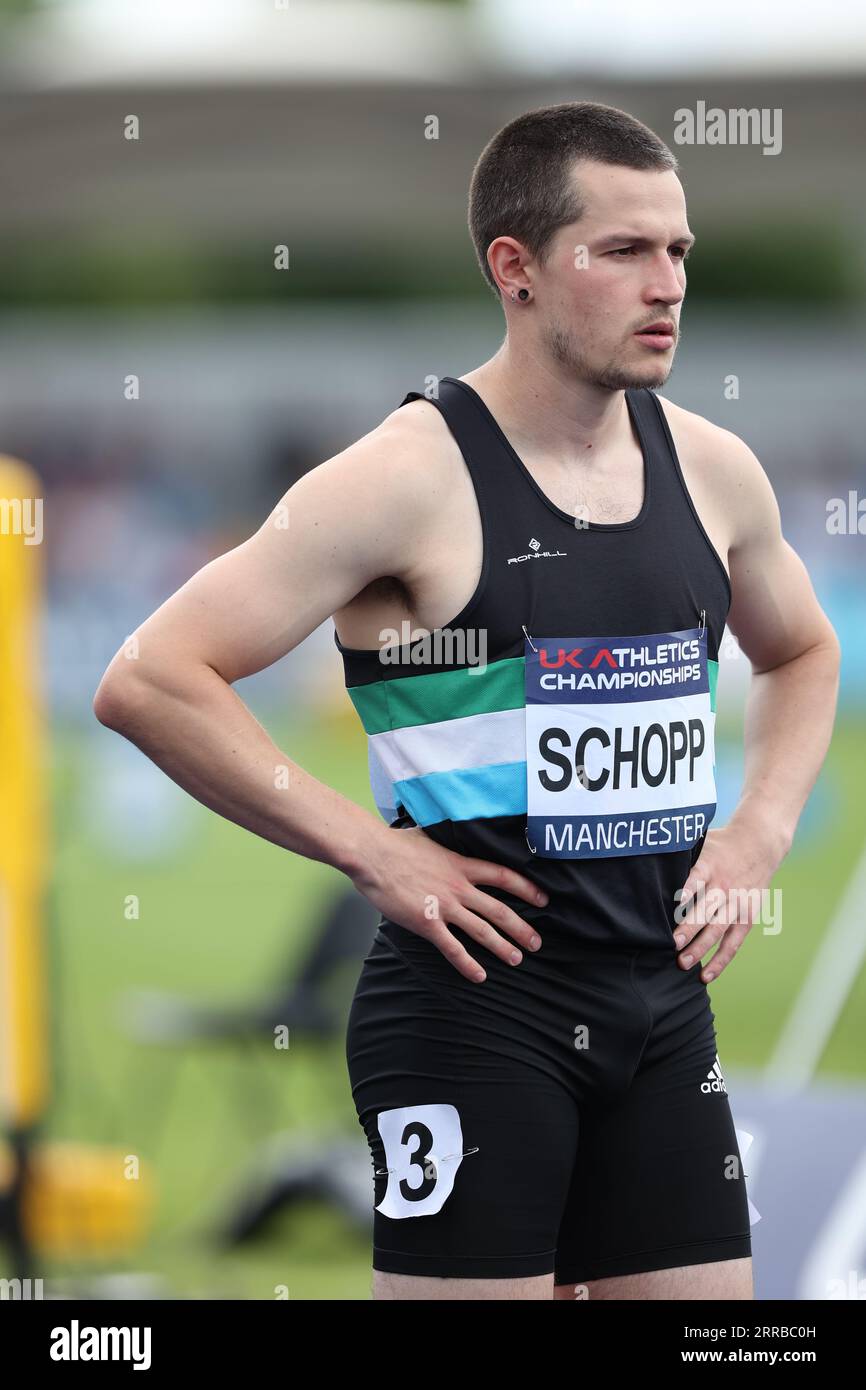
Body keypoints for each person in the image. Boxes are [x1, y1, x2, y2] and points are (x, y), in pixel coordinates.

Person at [93, 101, 840, 1301]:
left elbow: (799, 653)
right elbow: (148, 677)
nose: (666, 286)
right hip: (476, 1015)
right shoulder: (401, 478)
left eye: (678, 252)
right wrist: (365, 850)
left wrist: (755, 830)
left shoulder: (712, 467)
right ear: (516, 269)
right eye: (622, 251)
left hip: (661, 1011)